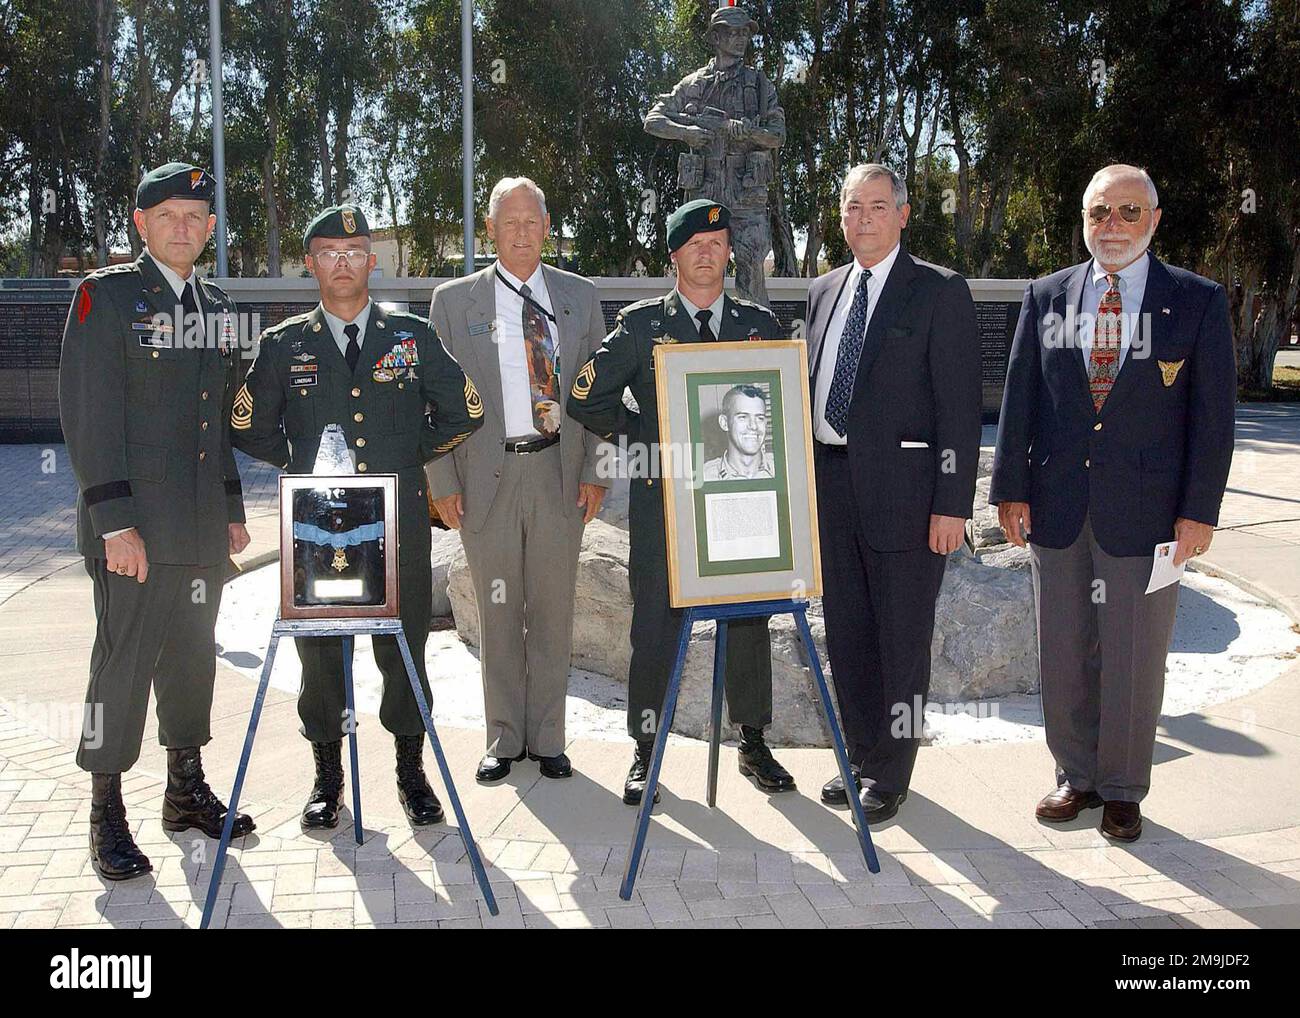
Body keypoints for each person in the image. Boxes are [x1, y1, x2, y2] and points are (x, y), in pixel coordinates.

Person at [990, 164, 1236, 841]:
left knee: (1134, 651)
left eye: (1129, 212)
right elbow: (1021, 400)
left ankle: (1124, 787)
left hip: (1149, 513)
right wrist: (1010, 487)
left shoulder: (1196, 301)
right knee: (1063, 648)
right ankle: (1076, 776)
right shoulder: (1047, 296)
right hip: (1058, 504)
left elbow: (1213, 420)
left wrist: (1198, 511)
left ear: (1154, 221)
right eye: (1100, 213)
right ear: (1084, 220)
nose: (1113, 226)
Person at [231, 204, 483, 829]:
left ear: (372, 261)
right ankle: (327, 777)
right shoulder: (285, 344)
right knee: (319, 658)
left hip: (394, 525)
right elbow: (249, 426)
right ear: (310, 264)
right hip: (316, 529)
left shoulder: (412, 336)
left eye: (354, 253)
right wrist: (301, 463)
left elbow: (464, 412)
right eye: (327, 254)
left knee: (404, 654)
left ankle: (410, 771)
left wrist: (402, 463)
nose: (342, 265)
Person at [58, 161, 255, 880]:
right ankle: (105, 812)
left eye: (195, 216)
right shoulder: (104, 300)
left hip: (200, 529)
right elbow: (89, 417)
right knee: (121, 667)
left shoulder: (214, 302)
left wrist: (232, 511)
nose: (183, 227)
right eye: (167, 215)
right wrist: (113, 523)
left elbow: (216, 423)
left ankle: (185, 792)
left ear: (209, 228)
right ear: (140, 225)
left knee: (192, 661)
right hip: (134, 532)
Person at [567, 198, 795, 805]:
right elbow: (584, 398)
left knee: (749, 619)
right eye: (693, 243)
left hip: (738, 506)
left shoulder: (759, 325)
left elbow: (781, 413)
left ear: (728, 253)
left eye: (716, 242)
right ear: (673, 255)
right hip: (664, 506)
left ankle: (752, 741)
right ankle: (647, 751)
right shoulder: (642, 327)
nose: (706, 252)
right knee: (656, 626)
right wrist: (643, 435)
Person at [807, 164, 980, 824]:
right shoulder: (823, 291)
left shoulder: (937, 291)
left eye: (878, 207)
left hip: (908, 500)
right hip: (832, 487)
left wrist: (952, 504)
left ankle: (892, 772)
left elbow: (960, 409)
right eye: (853, 208)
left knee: (901, 639)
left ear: (903, 214)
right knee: (847, 634)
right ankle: (859, 756)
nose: (864, 219)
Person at [427, 177, 610, 783]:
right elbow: (435, 401)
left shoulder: (581, 299)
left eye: (533, 222)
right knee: (498, 608)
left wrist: (595, 471)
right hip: (488, 478)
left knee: (553, 609)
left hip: (558, 474)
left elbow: (601, 395)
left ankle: (550, 739)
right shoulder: (454, 303)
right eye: (510, 223)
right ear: (490, 230)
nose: (523, 233)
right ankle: (503, 738)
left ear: (548, 227)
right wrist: (441, 480)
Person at [701, 384, 775, 480]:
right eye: (743, 417)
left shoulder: (783, 468)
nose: (753, 426)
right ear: (724, 423)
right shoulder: (704, 477)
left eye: (760, 418)